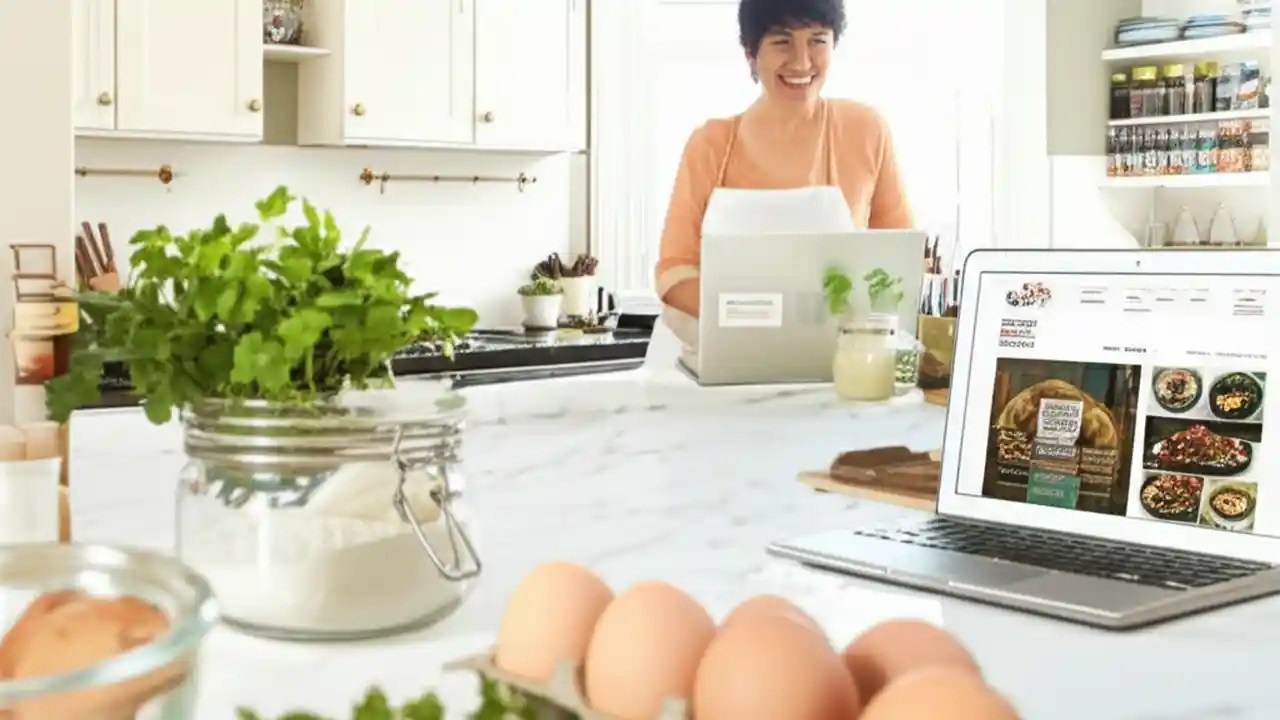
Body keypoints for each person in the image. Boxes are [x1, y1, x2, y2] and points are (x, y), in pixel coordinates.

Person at [652, 0, 915, 348]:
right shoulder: (710, 145)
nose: (802, 62)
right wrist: (762, 320)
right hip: (729, 356)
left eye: (817, 41)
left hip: (840, 362)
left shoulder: (866, 131)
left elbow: (899, 258)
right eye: (782, 42)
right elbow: (674, 272)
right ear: (750, 52)